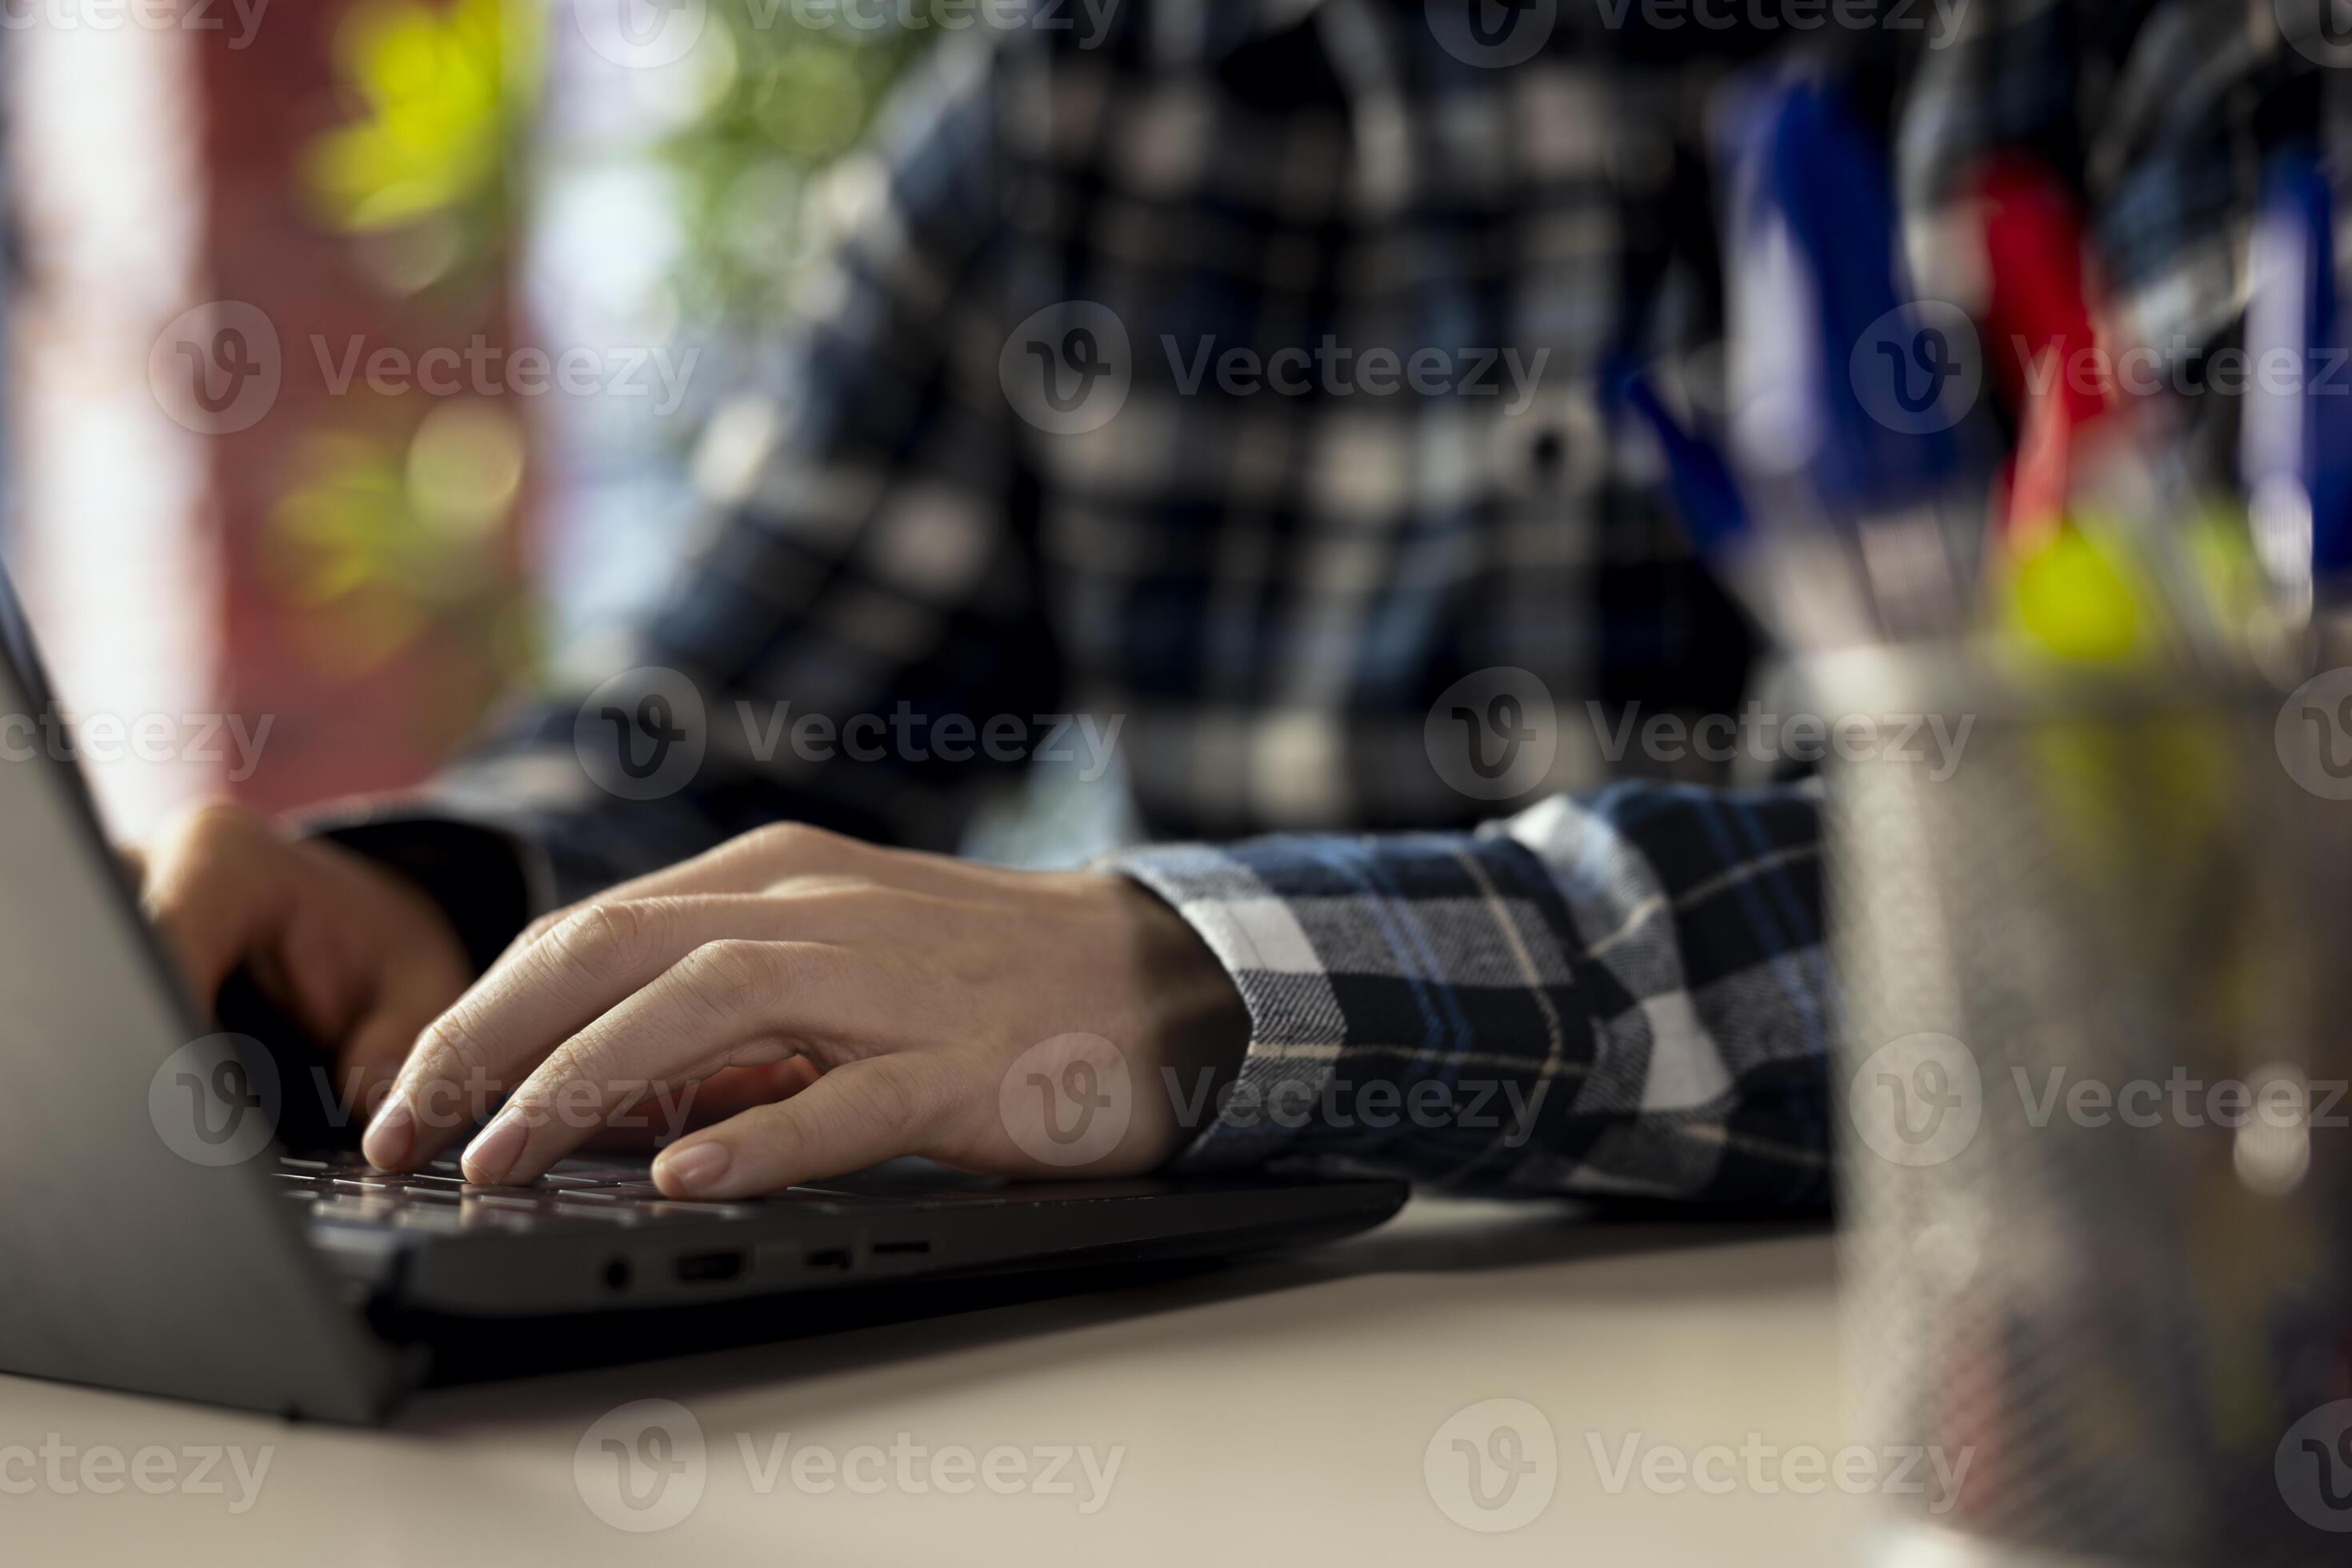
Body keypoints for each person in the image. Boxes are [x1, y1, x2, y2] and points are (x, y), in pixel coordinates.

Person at [129, 0, 2274, 1204]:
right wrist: (447, 904)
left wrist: (1193, 977)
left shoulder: (2200, 59)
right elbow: (719, 744)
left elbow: (2243, 886)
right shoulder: (1082, 100)